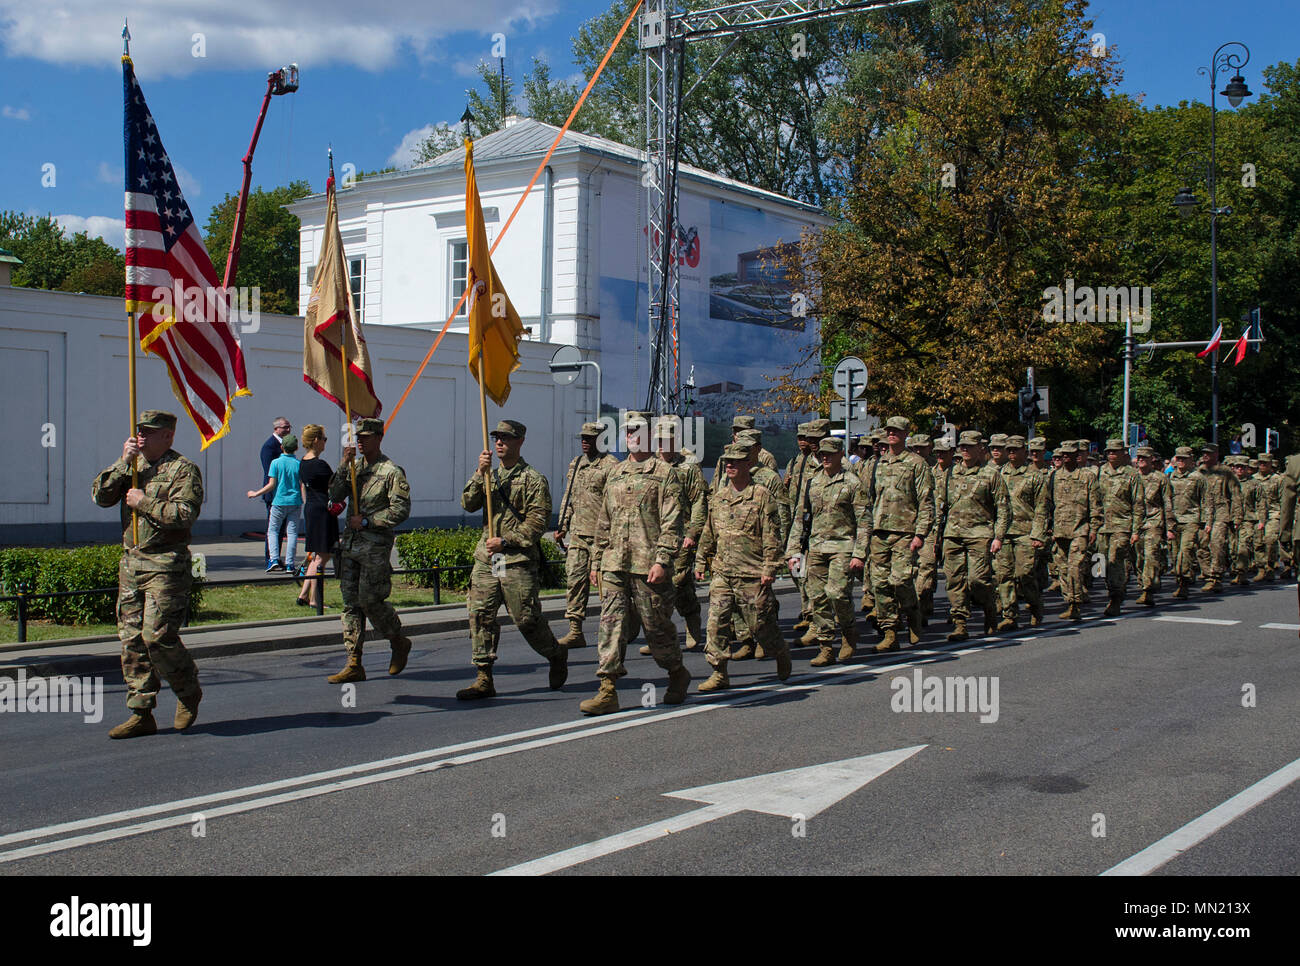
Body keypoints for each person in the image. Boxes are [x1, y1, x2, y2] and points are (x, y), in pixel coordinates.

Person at [91, 410, 204, 739]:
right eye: (138, 431)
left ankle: (188, 691)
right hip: (132, 563)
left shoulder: (183, 469)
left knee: (157, 637)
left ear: (168, 435)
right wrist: (121, 463)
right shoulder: (133, 467)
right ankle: (141, 712)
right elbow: (100, 497)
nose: (141, 436)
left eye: (149, 432)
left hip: (165, 564)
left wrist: (144, 501)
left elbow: (185, 514)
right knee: (131, 641)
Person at [580, 415, 690, 716]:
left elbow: (672, 522)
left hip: (648, 566)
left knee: (656, 629)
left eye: (637, 430)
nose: (632, 435)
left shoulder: (665, 473)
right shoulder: (615, 473)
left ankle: (677, 672)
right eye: (628, 431)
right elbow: (604, 520)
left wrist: (663, 560)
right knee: (611, 624)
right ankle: (607, 690)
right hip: (615, 563)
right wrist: (597, 560)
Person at [457, 419, 568, 700]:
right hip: (487, 558)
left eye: (506, 438)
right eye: (497, 437)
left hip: (516, 560)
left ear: (520, 441)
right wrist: (478, 473)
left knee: (526, 619)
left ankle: (555, 654)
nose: (499, 442)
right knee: (480, 615)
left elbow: (537, 523)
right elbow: (468, 504)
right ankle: (484, 677)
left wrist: (506, 540)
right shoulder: (489, 476)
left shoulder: (533, 479)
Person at [696, 442, 791, 691]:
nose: (730, 465)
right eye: (727, 461)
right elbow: (709, 531)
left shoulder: (761, 496)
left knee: (761, 625)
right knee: (716, 622)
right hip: (723, 572)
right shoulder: (719, 497)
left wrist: (770, 568)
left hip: (752, 574)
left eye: (736, 461)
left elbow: (772, 535)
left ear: (748, 464)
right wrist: (700, 558)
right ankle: (719, 672)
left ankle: (779, 650)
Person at [324, 418, 413, 683]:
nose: (360, 441)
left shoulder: (391, 471)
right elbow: (335, 496)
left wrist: (367, 521)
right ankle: (354, 662)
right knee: (351, 604)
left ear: (379, 438)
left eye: (366, 437)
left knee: (371, 602)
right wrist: (343, 465)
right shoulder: (354, 467)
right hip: (351, 546)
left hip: (374, 548)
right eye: (358, 437)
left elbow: (400, 510)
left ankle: (398, 640)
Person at [785, 437, 868, 666]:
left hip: (843, 547)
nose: (825, 457)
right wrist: (793, 551)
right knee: (817, 598)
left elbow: (864, 521)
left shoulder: (852, 483)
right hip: (816, 548)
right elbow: (800, 520)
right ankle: (825, 646)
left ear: (840, 454)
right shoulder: (812, 483)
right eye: (822, 453)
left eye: (830, 454)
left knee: (837, 594)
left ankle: (849, 632)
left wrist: (860, 554)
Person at [861, 416, 934, 651]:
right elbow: (869, 500)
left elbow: (926, 501)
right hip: (879, 532)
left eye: (896, 431)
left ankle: (913, 614)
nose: (891, 434)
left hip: (905, 532)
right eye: (889, 431)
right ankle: (890, 631)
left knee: (901, 580)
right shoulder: (878, 464)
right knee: (880, 584)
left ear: (905, 434)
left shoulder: (916, 463)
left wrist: (920, 534)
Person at [554, 421, 619, 649]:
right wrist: (562, 524)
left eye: (589, 438)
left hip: (603, 538)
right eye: (582, 437)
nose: (584, 441)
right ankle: (575, 631)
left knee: (607, 589)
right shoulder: (577, 463)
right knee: (574, 582)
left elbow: (615, 505)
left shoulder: (612, 466)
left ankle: (615, 629)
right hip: (578, 535)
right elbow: (569, 496)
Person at [943, 431, 1009, 641]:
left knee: (977, 581)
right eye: (962, 446)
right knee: (954, 581)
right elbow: (940, 504)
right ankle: (960, 623)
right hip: (952, 533)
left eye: (969, 446)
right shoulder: (951, 473)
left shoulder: (991, 474)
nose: (965, 449)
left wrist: (999, 536)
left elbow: (1003, 508)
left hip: (980, 534)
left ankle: (989, 607)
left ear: (980, 448)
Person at [1041, 441, 1102, 620]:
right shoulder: (1054, 476)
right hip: (1059, 531)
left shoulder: (1087, 476)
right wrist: (1048, 527)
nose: (1065, 457)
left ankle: (1075, 604)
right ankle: (1070, 600)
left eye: (1069, 454)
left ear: (1078, 456)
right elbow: (1047, 504)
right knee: (1064, 569)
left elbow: (1095, 505)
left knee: (1075, 568)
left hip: (1080, 530)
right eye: (1063, 454)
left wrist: (1094, 528)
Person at [995, 435, 1047, 629]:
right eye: (1009, 450)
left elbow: (1042, 508)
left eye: (1015, 450)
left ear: (1024, 452)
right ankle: (1009, 615)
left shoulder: (1034, 475)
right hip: (1004, 531)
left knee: (1024, 574)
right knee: (1004, 575)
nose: (1011, 453)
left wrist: (1038, 535)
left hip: (1026, 531)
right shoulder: (1000, 473)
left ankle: (1035, 605)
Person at [1097, 439, 1143, 615]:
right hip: (1102, 526)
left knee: (1116, 561)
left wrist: (1136, 530)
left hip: (1122, 525)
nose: (1111, 454)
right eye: (1109, 451)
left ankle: (1116, 598)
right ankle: (1106, 588)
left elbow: (1138, 504)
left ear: (1123, 453)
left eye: (1115, 451)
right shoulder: (1101, 472)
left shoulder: (1131, 474)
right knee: (1099, 562)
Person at [247, 433, 302, 573]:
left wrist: (256, 493)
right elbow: (302, 485)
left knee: (272, 531)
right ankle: (290, 564)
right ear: (296, 448)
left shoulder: (275, 463)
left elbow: (271, 485)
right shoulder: (298, 464)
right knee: (292, 534)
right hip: (295, 502)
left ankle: (274, 559)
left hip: (278, 502)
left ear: (282, 447)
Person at [296, 424, 338, 609]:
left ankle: (304, 595)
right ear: (316, 440)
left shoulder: (303, 462)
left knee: (316, 555)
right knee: (323, 554)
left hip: (311, 509)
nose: (325, 442)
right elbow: (336, 484)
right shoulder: (320, 465)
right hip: (322, 511)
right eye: (324, 439)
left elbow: (304, 488)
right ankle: (315, 599)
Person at [1194, 442, 1242, 593]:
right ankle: (1207, 572)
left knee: (1217, 543)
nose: (1205, 455)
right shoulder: (1199, 472)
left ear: (1216, 454)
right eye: (1204, 453)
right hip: (1202, 512)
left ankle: (1215, 577)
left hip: (1221, 512)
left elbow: (1235, 495)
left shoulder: (1226, 472)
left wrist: (1237, 516)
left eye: (1209, 453)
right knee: (1201, 545)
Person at [1134, 446, 1175, 606]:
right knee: (1138, 558)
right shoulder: (1133, 477)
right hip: (1136, 523)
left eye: (1145, 457)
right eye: (1139, 457)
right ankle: (1144, 582)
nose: (1141, 460)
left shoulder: (1160, 478)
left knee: (1151, 556)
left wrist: (1170, 527)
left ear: (1152, 459)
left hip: (1154, 522)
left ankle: (1147, 590)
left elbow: (1168, 503)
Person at [1167, 446, 1206, 599]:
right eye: (1178, 458)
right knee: (1176, 555)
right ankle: (1181, 580)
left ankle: (1184, 584)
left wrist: (1205, 523)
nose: (1181, 461)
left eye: (1184, 459)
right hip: (1175, 522)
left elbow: (1205, 501)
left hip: (1191, 520)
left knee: (1185, 553)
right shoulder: (1170, 477)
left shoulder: (1197, 477)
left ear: (1191, 460)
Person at [260, 416, 292, 567]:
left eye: (289, 427)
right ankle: (270, 558)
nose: (288, 430)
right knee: (273, 529)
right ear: (276, 429)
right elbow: (269, 473)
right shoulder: (270, 446)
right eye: (285, 427)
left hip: (283, 494)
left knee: (281, 530)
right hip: (274, 494)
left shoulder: (285, 446)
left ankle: (277, 557)